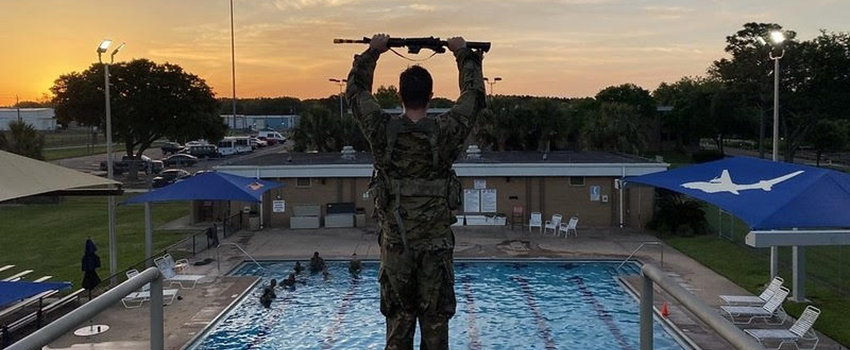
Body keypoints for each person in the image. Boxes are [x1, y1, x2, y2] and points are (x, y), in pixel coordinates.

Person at [345, 33, 485, 350]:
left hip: (396, 250)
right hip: (435, 252)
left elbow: (355, 92)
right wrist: (462, 53)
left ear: (399, 95)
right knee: (435, 330)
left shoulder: (380, 130)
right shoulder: (447, 131)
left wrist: (373, 52)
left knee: (398, 328)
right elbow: (473, 96)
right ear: (432, 96)